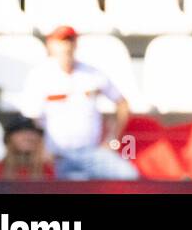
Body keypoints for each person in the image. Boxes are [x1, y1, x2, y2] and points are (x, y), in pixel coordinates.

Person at [20, 26, 138, 181]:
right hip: (58, 155)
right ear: (50, 45)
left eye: (70, 41)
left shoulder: (93, 74)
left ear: (76, 44)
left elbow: (122, 103)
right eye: (61, 41)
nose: (66, 46)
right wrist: (41, 148)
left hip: (92, 152)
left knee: (128, 176)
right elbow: (31, 118)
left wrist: (112, 140)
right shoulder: (40, 76)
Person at [0, 117, 55, 181]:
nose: (28, 137)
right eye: (21, 133)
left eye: (32, 133)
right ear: (8, 139)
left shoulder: (47, 170)